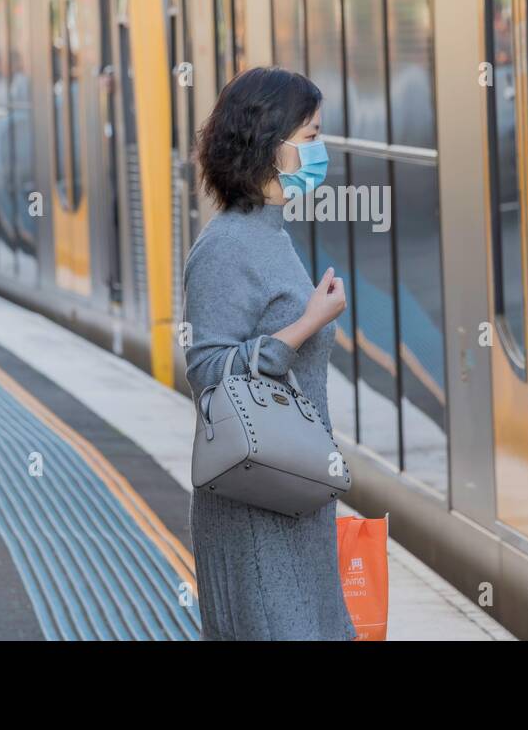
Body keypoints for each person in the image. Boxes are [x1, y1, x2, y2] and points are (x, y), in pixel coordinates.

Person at [181, 65, 357, 641]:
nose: (319, 151)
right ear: (269, 146)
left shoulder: (270, 233)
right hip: (254, 507)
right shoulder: (226, 246)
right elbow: (207, 373)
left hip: (293, 496)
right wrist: (307, 323)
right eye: (309, 138)